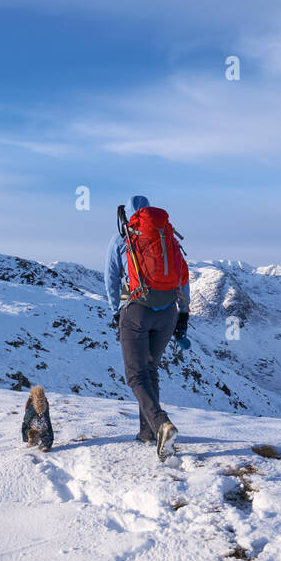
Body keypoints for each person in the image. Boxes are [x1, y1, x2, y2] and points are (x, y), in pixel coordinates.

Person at [104, 195, 190, 460]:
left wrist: (116, 311)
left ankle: (161, 423)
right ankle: (148, 432)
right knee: (151, 369)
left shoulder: (123, 238)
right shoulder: (168, 238)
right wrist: (183, 315)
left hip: (137, 310)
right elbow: (183, 278)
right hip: (167, 314)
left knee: (135, 375)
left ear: (128, 214)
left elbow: (111, 278)